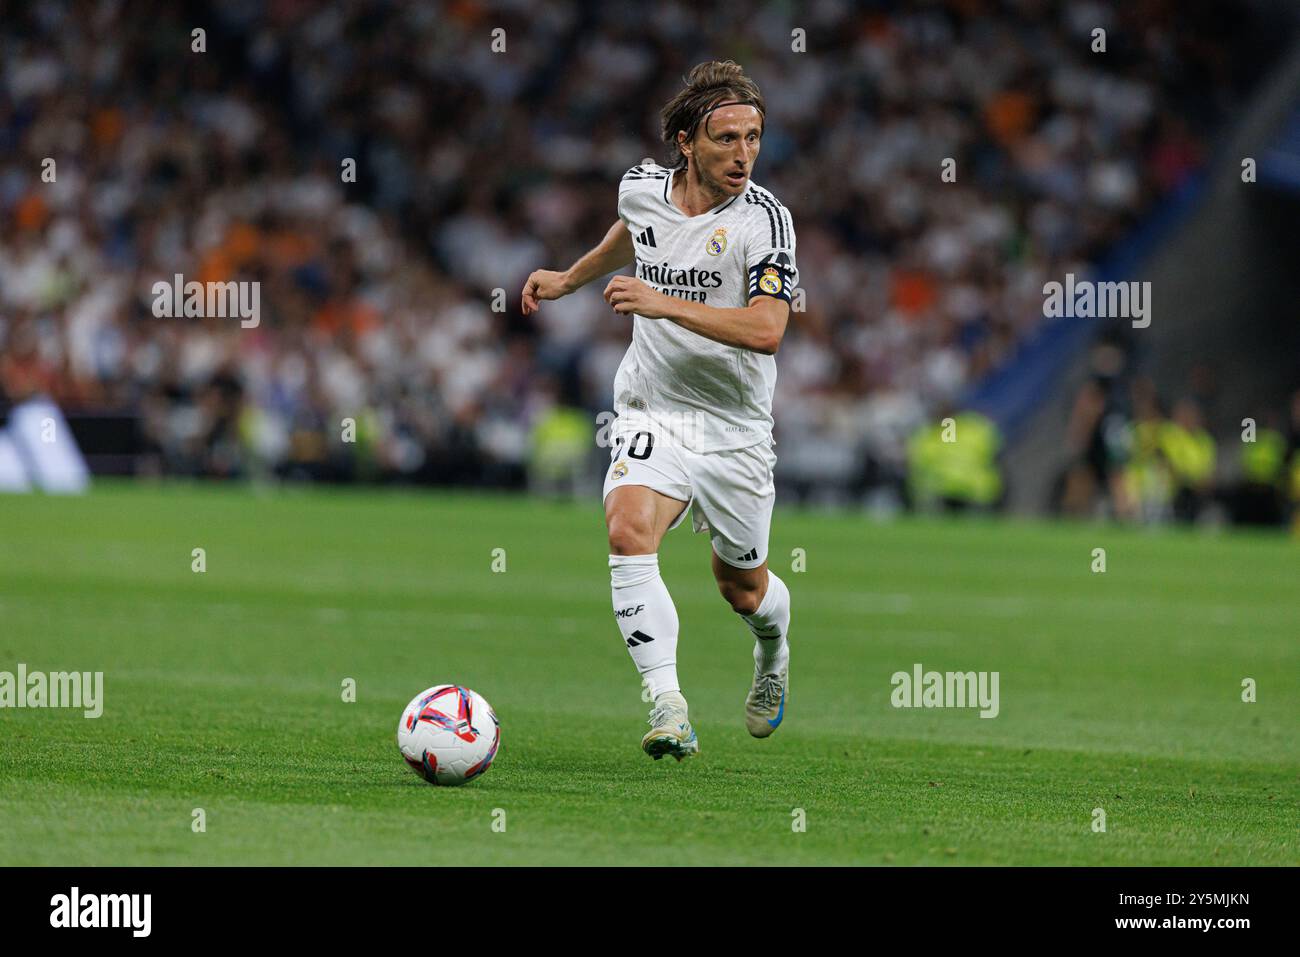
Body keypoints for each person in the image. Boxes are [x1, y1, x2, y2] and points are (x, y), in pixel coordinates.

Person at [521, 61, 798, 761]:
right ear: (685, 141)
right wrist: (569, 278)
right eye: (726, 137)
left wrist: (660, 300)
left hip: (734, 430)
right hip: (652, 407)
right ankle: (668, 705)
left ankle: (773, 650)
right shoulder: (642, 187)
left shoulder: (764, 222)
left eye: (754, 138)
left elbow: (767, 330)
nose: (743, 154)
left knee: (740, 586)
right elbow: (631, 232)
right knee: (626, 529)